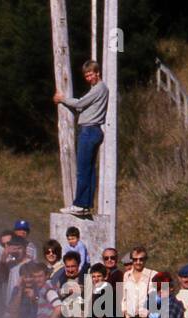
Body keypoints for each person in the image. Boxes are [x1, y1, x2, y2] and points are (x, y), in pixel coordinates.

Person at [54, 60, 109, 216]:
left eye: (90, 74)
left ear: (97, 72)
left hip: (90, 130)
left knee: (83, 169)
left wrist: (62, 98)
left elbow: (80, 103)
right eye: (86, 75)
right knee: (89, 170)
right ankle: (85, 204)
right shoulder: (98, 89)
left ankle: (79, 204)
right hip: (93, 131)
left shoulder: (99, 89)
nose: (88, 77)